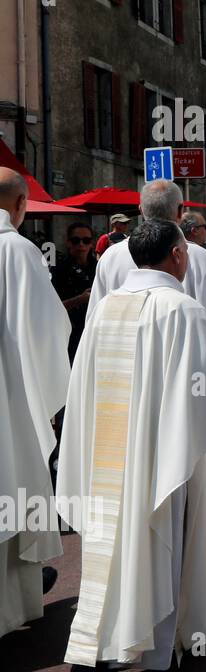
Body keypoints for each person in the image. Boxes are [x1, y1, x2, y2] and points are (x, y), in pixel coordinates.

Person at [57, 220, 206, 672]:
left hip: (106, 456)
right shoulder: (182, 309)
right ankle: (141, 658)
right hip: (159, 459)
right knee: (158, 547)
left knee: (107, 556)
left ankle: (92, 659)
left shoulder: (106, 308)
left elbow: (82, 383)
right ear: (178, 256)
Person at [91, 180, 206, 565]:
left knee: (137, 467)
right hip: (185, 384)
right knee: (190, 466)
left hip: (128, 382)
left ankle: (143, 549)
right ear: (180, 212)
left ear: (139, 210)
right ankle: (201, 551)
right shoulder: (195, 256)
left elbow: (97, 320)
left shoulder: (113, 258)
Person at [0, 169, 69, 641]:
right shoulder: (19, 250)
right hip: (11, 392)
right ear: (21, 205)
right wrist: (47, 398)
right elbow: (48, 330)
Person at [49, 220, 97, 358]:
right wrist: (80, 299)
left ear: (91, 243)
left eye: (86, 240)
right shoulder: (59, 270)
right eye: (76, 240)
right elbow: (54, 307)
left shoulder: (99, 267)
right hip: (70, 334)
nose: (81, 244)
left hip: (94, 331)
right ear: (68, 242)